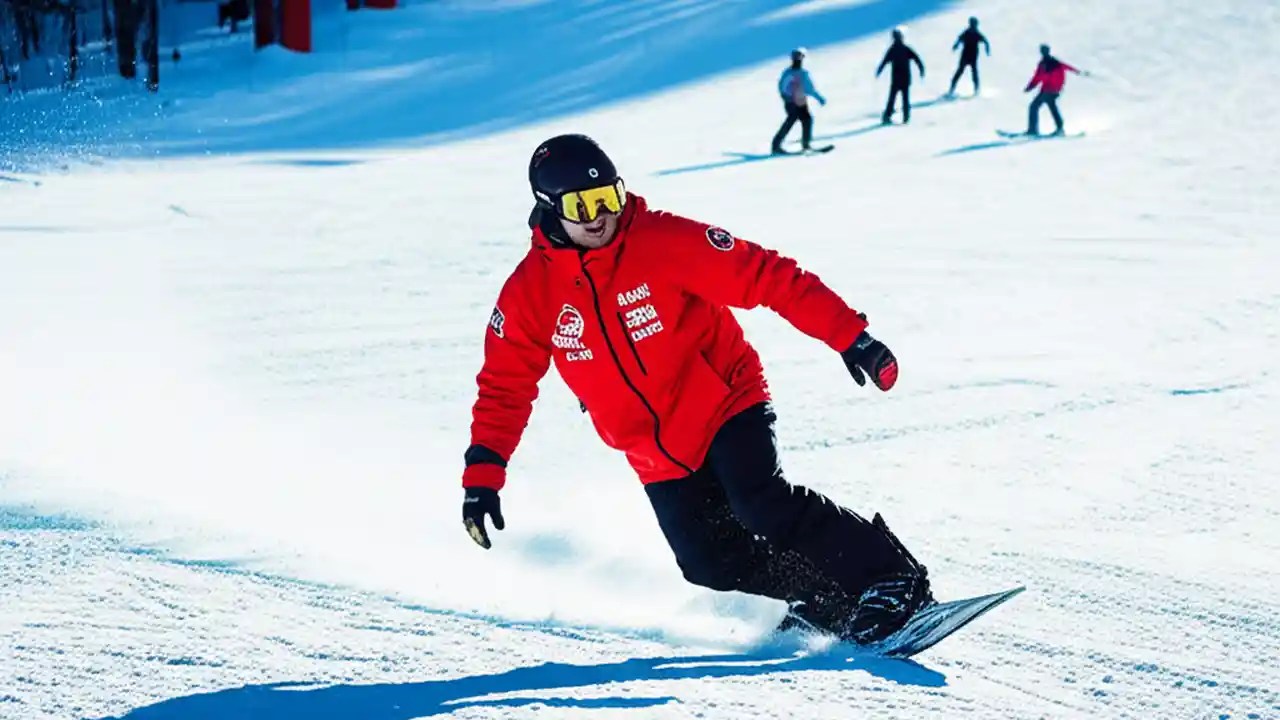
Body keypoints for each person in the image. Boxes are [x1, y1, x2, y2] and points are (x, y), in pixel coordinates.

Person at [460, 133, 934, 644]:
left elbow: (765, 275)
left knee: (760, 502)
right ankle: (833, 599)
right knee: (709, 562)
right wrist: (483, 477)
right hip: (652, 448)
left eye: (609, 198)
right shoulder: (530, 293)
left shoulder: (661, 240)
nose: (600, 216)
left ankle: (891, 580)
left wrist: (849, 336)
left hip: (725, 398)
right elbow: (504, 387)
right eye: (582, 205)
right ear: (550, 209)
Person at [770, 48, 827, 155]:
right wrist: (787, 97)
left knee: (806, 120)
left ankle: (805, 144)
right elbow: (783, 87)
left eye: (799, 56)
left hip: (800, 101)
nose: (797, 59)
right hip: (793, 102)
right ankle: (776, 145)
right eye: (796, 56)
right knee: (794, 120)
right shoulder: (792, 73)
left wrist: (818, 97)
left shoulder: (799, 73)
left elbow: (808, 88)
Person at [1023, 44, 1087, 136]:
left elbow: (1037, 77)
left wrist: (1030, 87)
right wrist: (1079, 72)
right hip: (1053, 90)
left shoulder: (1048, 64)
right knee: (1050, 108)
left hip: (1049, 90)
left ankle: (1034, 130)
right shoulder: (1053, 63)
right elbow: (1068, 68)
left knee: (1035, 107)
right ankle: (1059, 129)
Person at [876, 27, 925, 125]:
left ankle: (888, 116)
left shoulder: (893, 49)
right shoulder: (905, 48)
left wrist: (879, 70)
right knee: (904, 98)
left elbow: (884, 61)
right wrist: (921, 69)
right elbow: (917, 59)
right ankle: (905, 117)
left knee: (893, 98)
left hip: (897, 79)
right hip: (905, 78)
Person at [948, 17, 990, 97]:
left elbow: (986, 42)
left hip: (972, 57)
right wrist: (956, 45)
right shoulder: (967, 33)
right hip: (965, 56)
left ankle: (976, 90)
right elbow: (959, 39)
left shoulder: (976, 34)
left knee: (973, 73)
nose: (973, 26)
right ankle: (951, 89)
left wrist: (987, 50)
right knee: (960, 72)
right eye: (972, 24)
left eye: (974, 24)